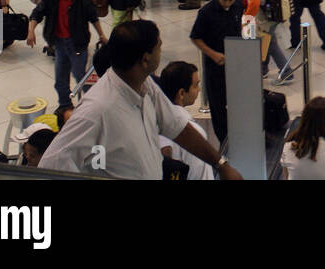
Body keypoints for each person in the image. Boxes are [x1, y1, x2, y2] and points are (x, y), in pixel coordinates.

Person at [39, 20, 243, 180]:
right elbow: (51, 165)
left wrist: (221, 165)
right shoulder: (98, 110)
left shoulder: (145, 85)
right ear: (145, 59)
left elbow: (176, 126)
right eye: (159, 47)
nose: (162, 51)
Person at [27, 0, 106, 108]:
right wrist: (31, 30)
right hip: (59, 44)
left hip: (77, 43)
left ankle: (92, 104)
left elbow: (93, 17)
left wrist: (102, 35)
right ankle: (65, 106)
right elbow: (37, 13)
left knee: (81, 77)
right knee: (60, 80)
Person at [190, 0, 243, 142]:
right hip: (215, 66)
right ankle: (224, 140)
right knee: (218, 105)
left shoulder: (238, 5)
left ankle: (239, 134)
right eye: (224, 0)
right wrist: (212, 54)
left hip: (235, 63)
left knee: (237, 101)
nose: (227, 3)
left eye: (231, 0)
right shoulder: (206, 12)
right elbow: (195, 37)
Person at [155, 61, 214, 180]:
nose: (199, 89)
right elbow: (200, 175)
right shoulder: (193, 132)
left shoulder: (156, 122)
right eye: (196, 85)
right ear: (181, 93)